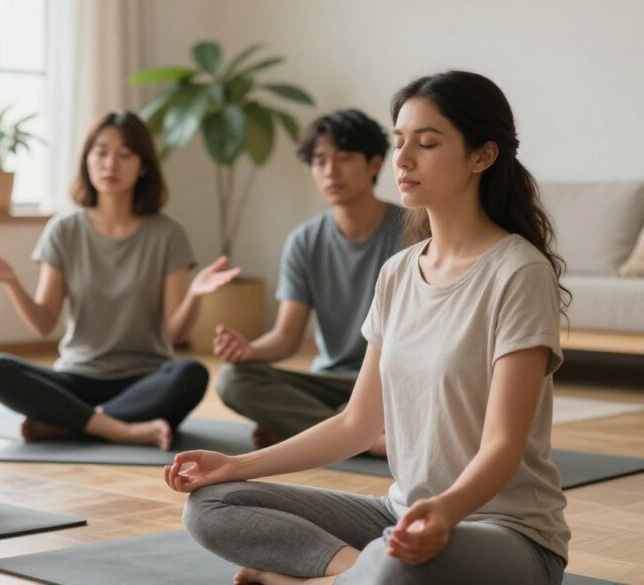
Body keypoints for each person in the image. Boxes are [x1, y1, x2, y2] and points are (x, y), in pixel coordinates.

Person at [164, 71, 571, 585]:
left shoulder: (518, 272)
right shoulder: (398, 272)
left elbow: (503, 445)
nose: (402, 160)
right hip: (401, 519)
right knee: (211, 505)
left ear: (482, 156)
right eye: (400, 141)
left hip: (506, 533)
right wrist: (235, 466)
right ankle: (354, 575)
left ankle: (319, 579)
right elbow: (356, 424)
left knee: (402, 563)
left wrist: (443, 513)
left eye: (426, 143)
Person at [0, 111, 239, 450]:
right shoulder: (64, 230)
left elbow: (176, 332)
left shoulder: (168, 234)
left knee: (191, 375)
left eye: (125, 154)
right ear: (87, 161)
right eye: (101, 152)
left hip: (144, 381)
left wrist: (196, 295)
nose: (111, 163)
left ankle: (72, 424)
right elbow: (43, 323)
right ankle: (119, 428)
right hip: (75, 379)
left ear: (143, 166)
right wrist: (12, 282)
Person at [214, 109, 404, 451]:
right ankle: (368, 441)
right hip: (330, 380)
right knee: (234, 380)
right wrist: (250, 350)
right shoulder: (304, 241)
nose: (330, 171)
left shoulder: (412, 231)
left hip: (390, 380)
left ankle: (319, 429)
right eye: (319, 161)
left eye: (343, 158)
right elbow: (287, 337)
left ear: (375, 164)